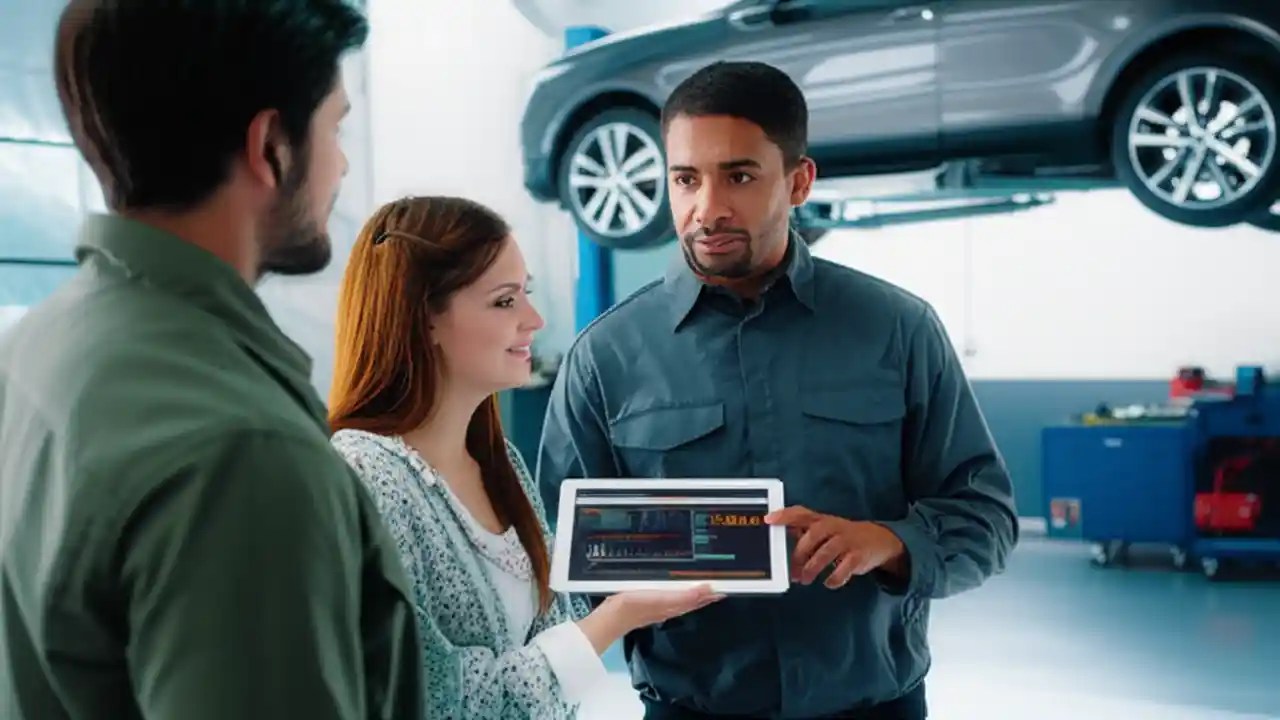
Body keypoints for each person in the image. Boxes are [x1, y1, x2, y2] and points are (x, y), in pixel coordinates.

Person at [537, 60, 1020, 720]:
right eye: (685, 179)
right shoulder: (604, 358)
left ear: (798, 181)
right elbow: (561, 556)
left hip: (875, 706)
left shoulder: (899, 331)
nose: (707, 209)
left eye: (738, 176)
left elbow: (985, 518)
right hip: (688, 708)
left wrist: (888, 542)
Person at [0, 3, 421, 719]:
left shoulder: (37, 344)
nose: (342, 161)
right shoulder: (242, 453)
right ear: (270, 147)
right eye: (334, 126)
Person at [327, 195, 722, 720]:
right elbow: (436, 701)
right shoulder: (364, 478)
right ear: (424, 318)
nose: (534, 320)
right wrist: (617, 617)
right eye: (505, 301)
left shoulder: (501, 464)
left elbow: (548, 637)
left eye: (526, 294)